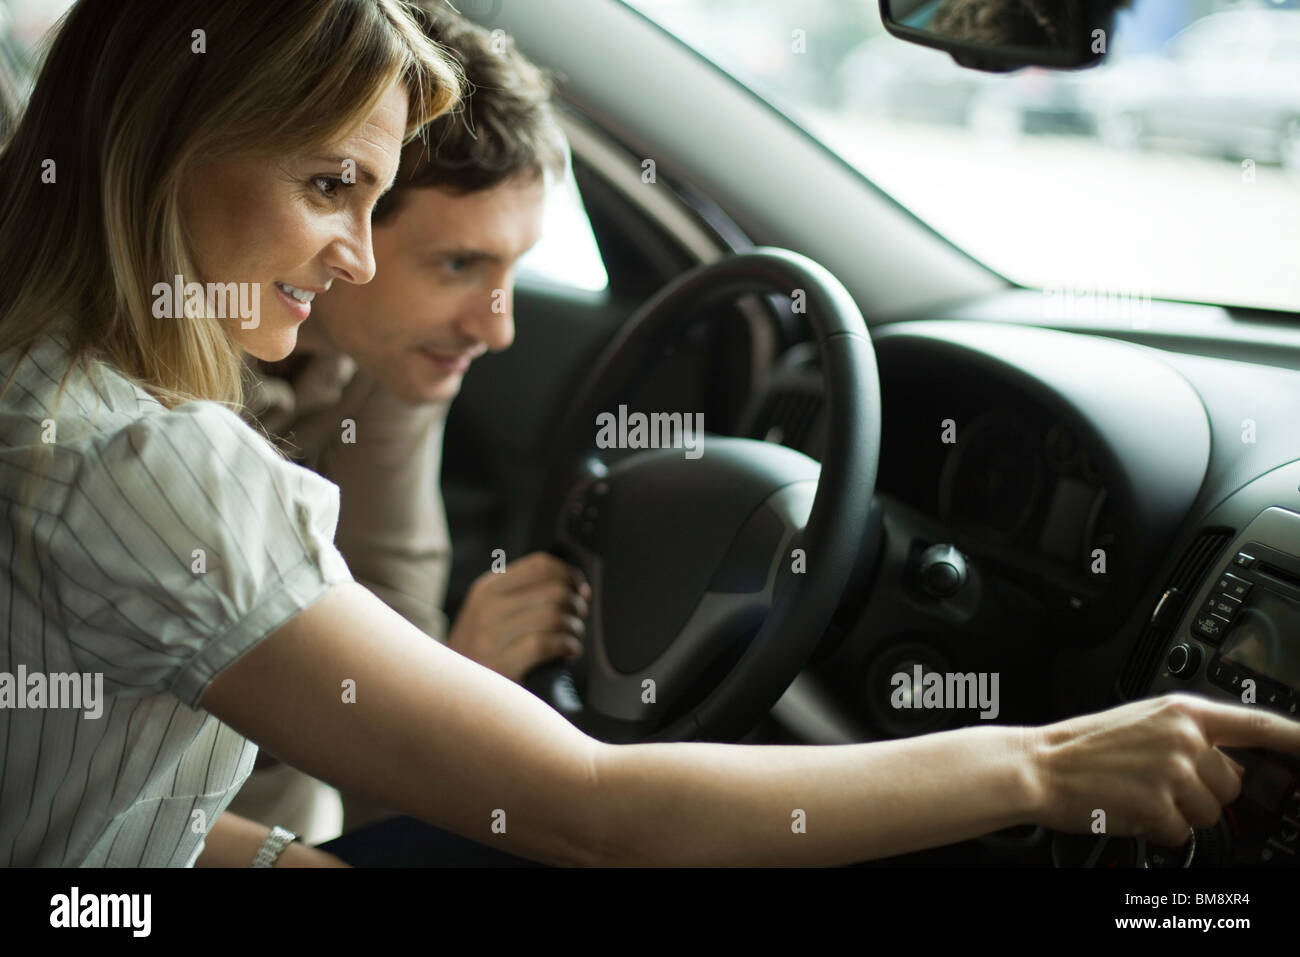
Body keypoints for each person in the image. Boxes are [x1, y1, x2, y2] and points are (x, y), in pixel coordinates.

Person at [3, 0, 1300, 869]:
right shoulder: (153, 466)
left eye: (372, 196)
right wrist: (1045, 759)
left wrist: (290, 862)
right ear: (159, 148)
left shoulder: (49, 387)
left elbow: (93, 821)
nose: (349, 256)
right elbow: (595, 809)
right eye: (330, 187)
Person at [225, 5, 582, 842]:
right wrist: (446, 688)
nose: (497, 329)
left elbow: (390, 595)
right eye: (459, 265)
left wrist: (444, 678)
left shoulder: (389, 358)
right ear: (339, 210)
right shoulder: (160, 399)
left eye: (512, 268)